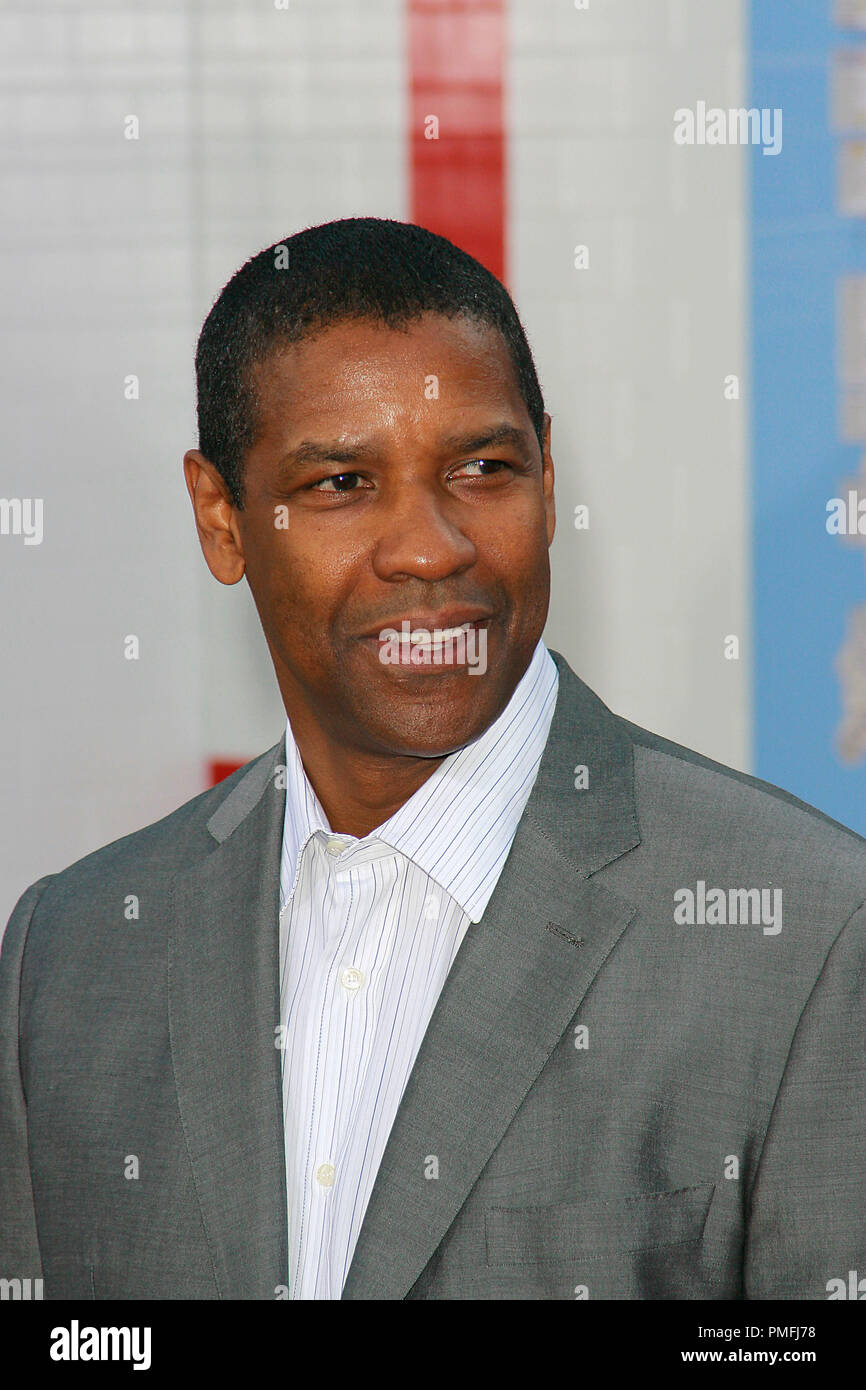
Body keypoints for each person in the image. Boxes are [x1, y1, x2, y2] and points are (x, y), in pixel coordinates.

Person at [1, 217, 864, 1301]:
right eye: (340, 484)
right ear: (221, 519)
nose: (429, 546)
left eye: (481, 467)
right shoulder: (67, 960)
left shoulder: (807, 932)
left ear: (548, 477)